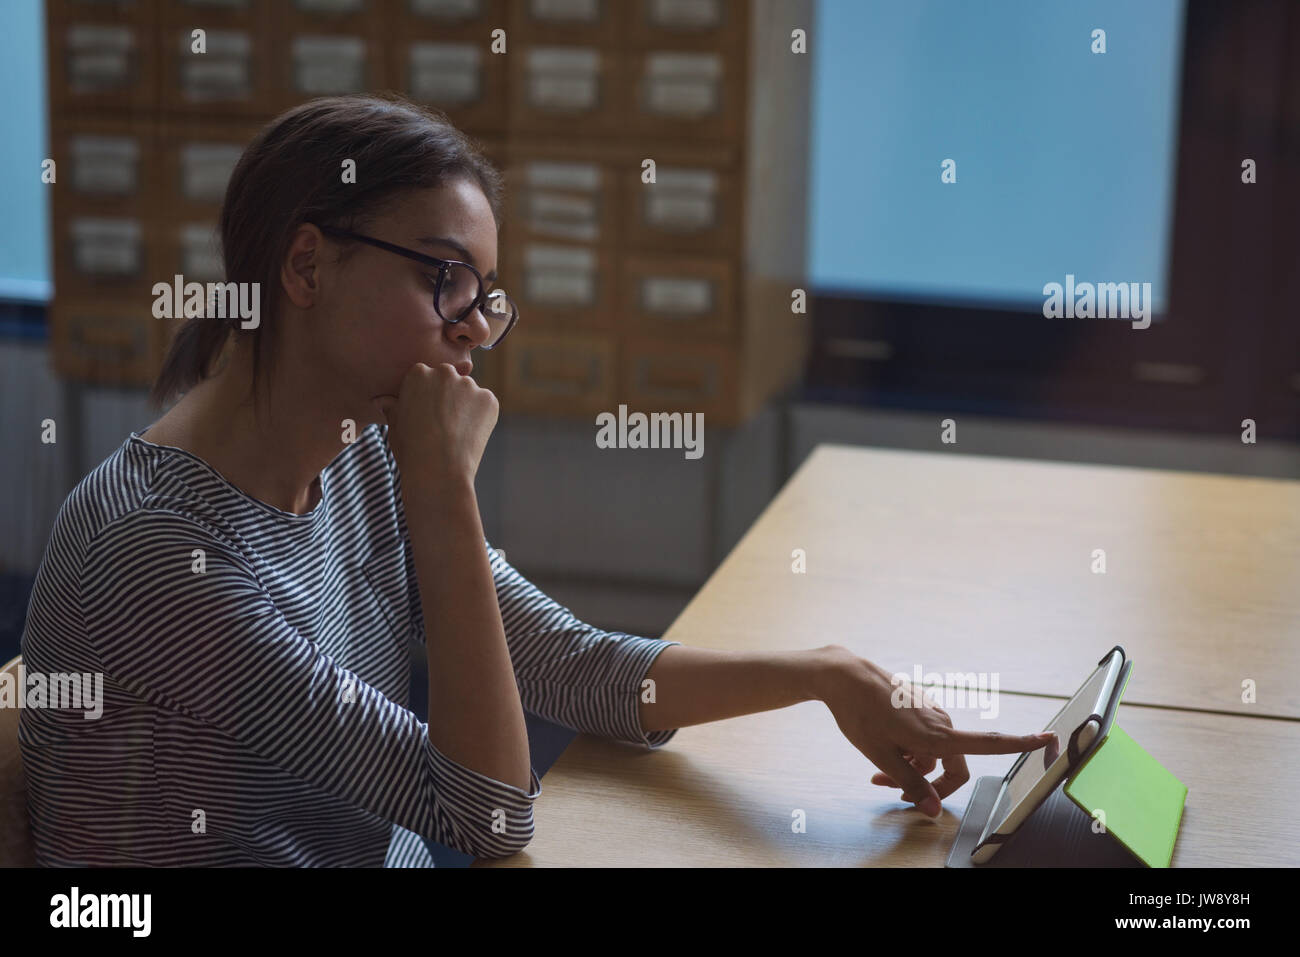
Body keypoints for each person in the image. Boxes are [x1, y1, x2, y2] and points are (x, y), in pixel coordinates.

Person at [19, 93, 1052, 866]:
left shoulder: (360, 455)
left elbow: (579, 672)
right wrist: (444, 496)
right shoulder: (163, 553)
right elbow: (486, 810)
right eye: (443, 280)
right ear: (304, 268)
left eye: (484, 295)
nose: (473, 328)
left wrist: (824, 674)